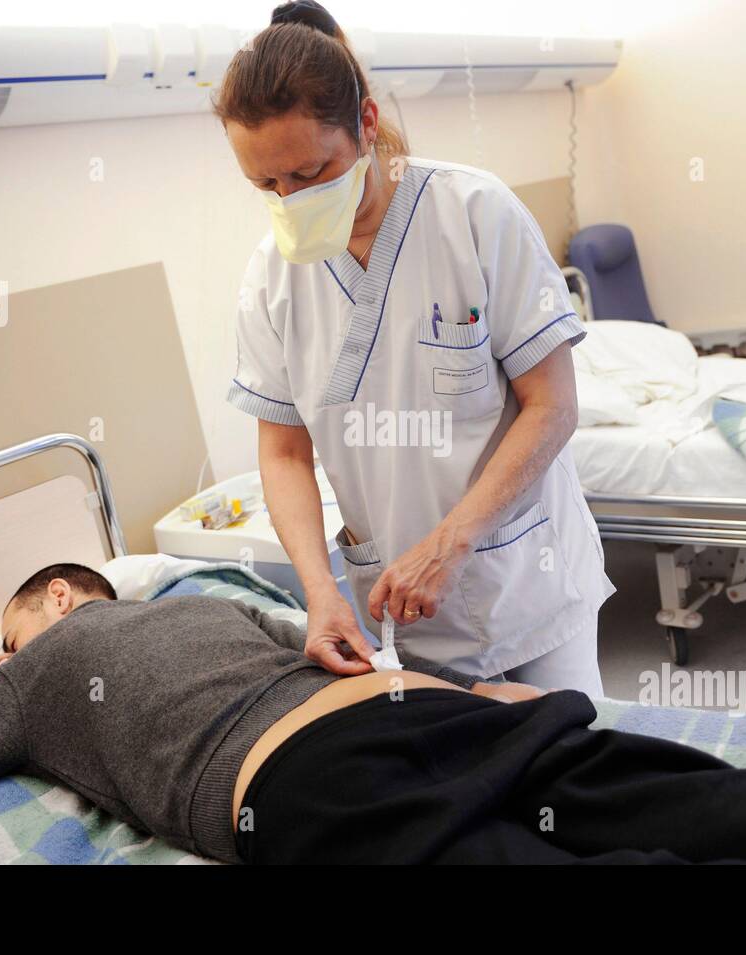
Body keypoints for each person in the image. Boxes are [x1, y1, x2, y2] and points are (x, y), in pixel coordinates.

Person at [0, 565, 746, 865]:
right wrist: (478, 693)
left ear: (56, 601)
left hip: (314, 786)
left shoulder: (41, 661)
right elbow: (338, 649)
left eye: (12, 633)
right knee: (738, 800)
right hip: (429, 712)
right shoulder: (211, 599)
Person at [214, 1, 615, 698]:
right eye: (265, 185)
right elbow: (282, 452)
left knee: (569, 780)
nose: (288, 199)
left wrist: (450, 542)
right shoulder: (270, 277)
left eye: (308, 174)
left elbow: (552, 407)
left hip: (527, 587)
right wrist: (320, 590)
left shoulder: (473, 213)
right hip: (399, 618)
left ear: (365, 126)